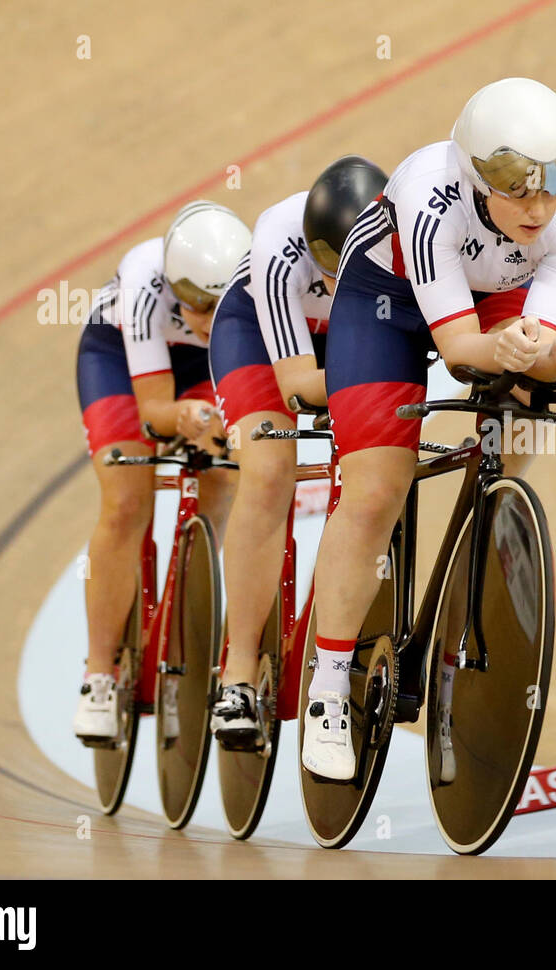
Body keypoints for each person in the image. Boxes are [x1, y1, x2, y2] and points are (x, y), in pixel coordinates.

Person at [299, 77, 556, 780]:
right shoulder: (427, 193)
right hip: (386, 301)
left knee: (533, 390)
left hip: (492, 296)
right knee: (377, 488)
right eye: (520, 192)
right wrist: (507, 350)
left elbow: (539, 338)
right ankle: (327, 690)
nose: (540, 209)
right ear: (474, 177)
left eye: (553, 188)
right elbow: (464, 348)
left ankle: (487, 512)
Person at [206, 156, 388, 749]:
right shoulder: (278, 243)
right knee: (268, 469)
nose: (343, 279)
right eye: (334, 269)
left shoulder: (402, 225)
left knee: (379, 466)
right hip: (259, 338)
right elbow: (299, 386)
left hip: (354, 330)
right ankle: (236, 674)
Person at [72, 201, 249, 742]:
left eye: (219, 304)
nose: (205, 315)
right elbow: (154, 414)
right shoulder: (146, 278)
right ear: (173, 283)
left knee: (226, 471)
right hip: (119, 361)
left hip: (202, 366)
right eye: (195, 302)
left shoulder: (252, 279)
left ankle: (197, 578)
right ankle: (99, 676)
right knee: (127, 501)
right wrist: (188, 417)